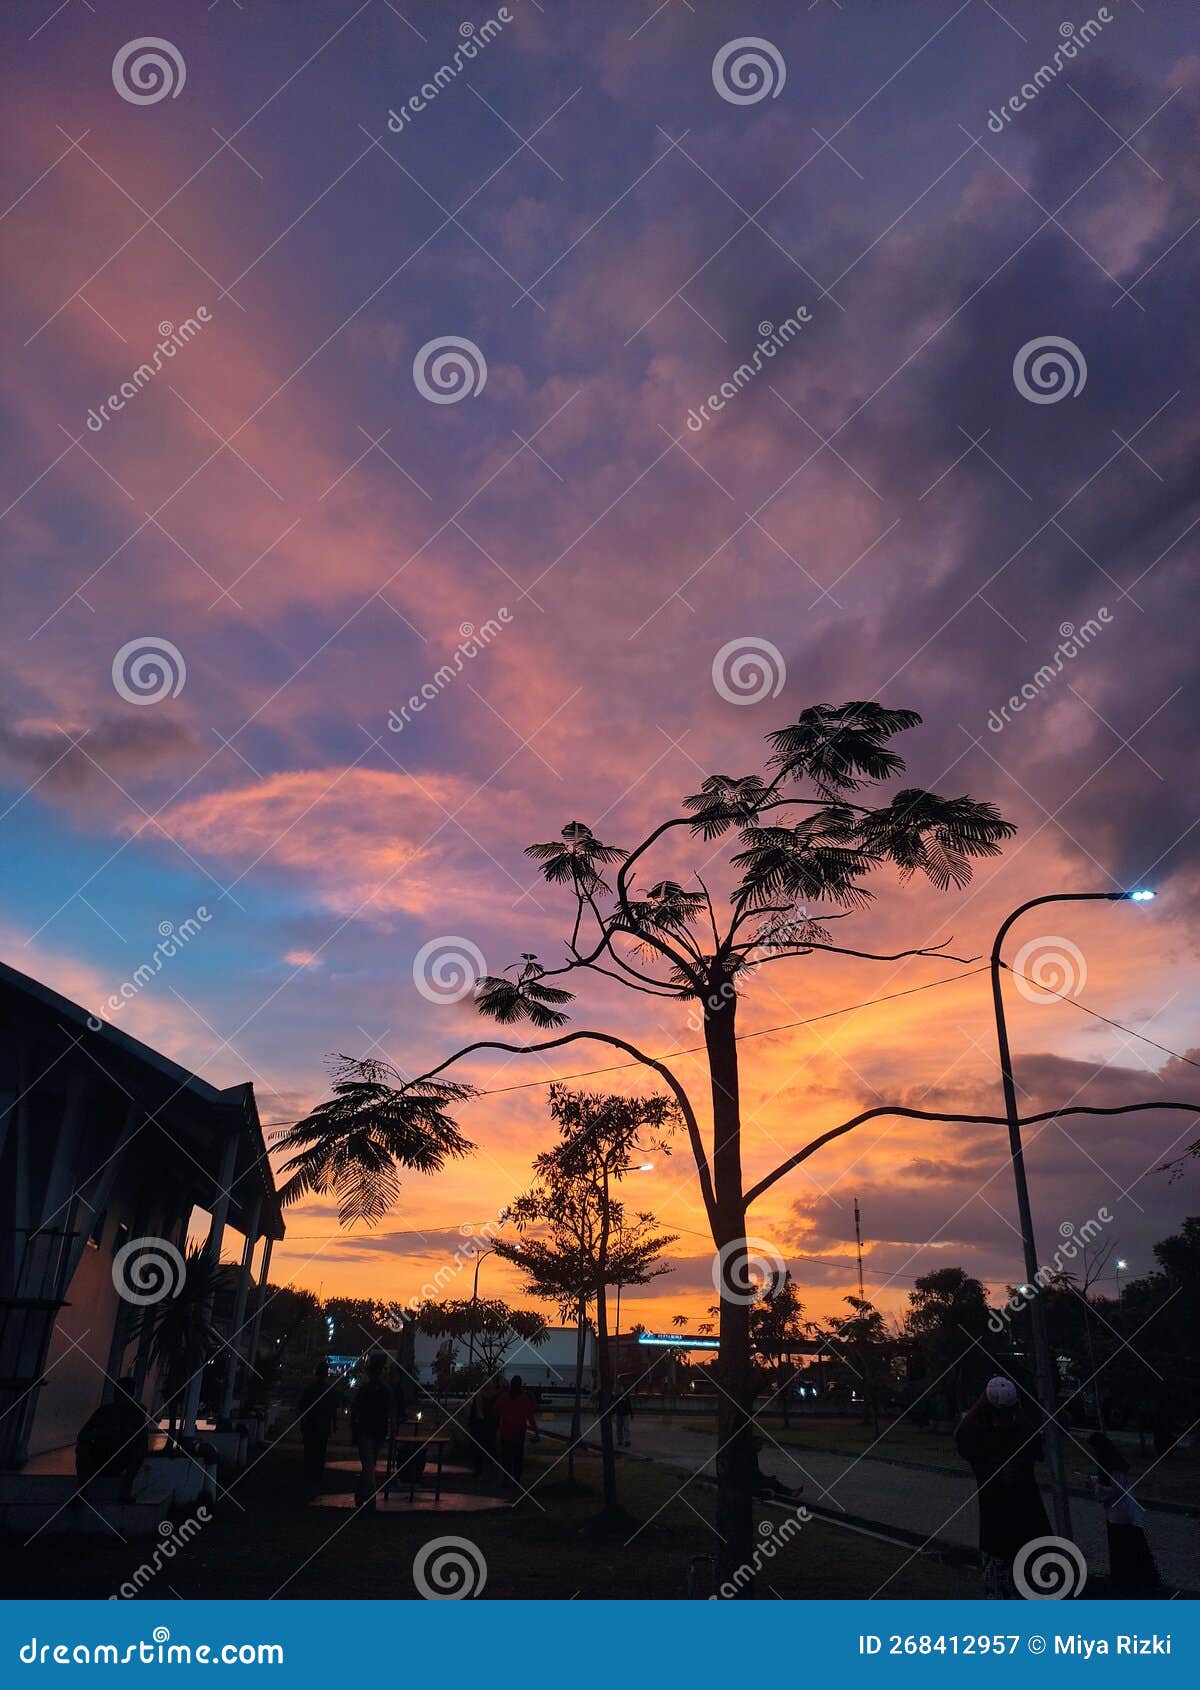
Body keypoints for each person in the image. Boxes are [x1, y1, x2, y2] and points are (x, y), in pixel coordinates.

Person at [955, 1376, 1051, 1598]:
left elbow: (962, 1434)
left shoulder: (977, 1435)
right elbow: (1040, 1450)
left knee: (1000, 1587)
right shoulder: (1024, 1430)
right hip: (1030, 1520)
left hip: (995, 1525)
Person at [1087, 1433, 1161, 1596]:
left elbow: (1116, 1489)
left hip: (1121, 1513)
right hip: (1118, 1512)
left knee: (1125, 1547)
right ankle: (1131, 1578)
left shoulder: (1113, 1464)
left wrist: (1097, 1488)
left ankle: (1129, 1580)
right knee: (1129, 1546)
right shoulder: (1110, 1461)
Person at [75, 1376, 150, 1498]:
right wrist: (105, 1433)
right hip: (100, 1457)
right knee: (82, 1447)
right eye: (119, 1392)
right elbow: (83, 1435)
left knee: (139, 1449)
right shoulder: (103, 1412)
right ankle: (83, 1491)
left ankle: (125, 1490)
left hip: (120, 1459)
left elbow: (141, 1439)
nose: (119, 1396)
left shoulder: (136, 1414)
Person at [351, 1354, 393, 1510]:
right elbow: (391, 1411)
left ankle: (362, 1494)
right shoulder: (383, 1390)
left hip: (369, 1430)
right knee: (369, 1465)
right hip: (375, 1431)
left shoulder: (368, 1390)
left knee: (368, 1465)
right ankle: (369, 1498)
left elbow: (356, 1409)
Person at [492, 1374, 539, 1483]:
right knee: (517, 1457)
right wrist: (536, 1432)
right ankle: (516, 1479)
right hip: (519, 1433)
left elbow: (495, 1409)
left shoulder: (504, 1397)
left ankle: (506, 1478)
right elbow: (530, 1418)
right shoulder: (524, 1399)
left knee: (506, 1457)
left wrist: (500, 1419)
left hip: (505, 1431)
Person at [297, 1362, 339, 1482]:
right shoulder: (329, 1391)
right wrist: (334, 1424)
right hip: (322, 1425)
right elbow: (333, 1409)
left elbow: (302, 1407)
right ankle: (316, 1475)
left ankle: (309, 1474)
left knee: (310, 1451)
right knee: (320, 1452)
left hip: (311, 1424)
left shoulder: (310, 1389)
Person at [468, 1375, 503, 1475]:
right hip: (486, 1426)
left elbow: (479, 1413)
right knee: (490, 1448)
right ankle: (487, 1470)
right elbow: (480, 1413)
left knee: (482, 1449)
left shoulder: (481, 1395)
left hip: (482, 1426)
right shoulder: (487, 1395)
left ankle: (481, 1470)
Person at [613, 1376, 634, 1448]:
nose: (620, 1389)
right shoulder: (616, 1397)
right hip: (619, 1414)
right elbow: (614, 1406)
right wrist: (613, 1414)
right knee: (619, 1428)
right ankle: (620, 1440)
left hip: (625, 1414)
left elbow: (629, 1405)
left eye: (621, 1388)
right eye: (619, 1388)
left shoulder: (626, 1396)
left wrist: (631, 1413)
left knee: (625, 1428)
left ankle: (627, 1441)